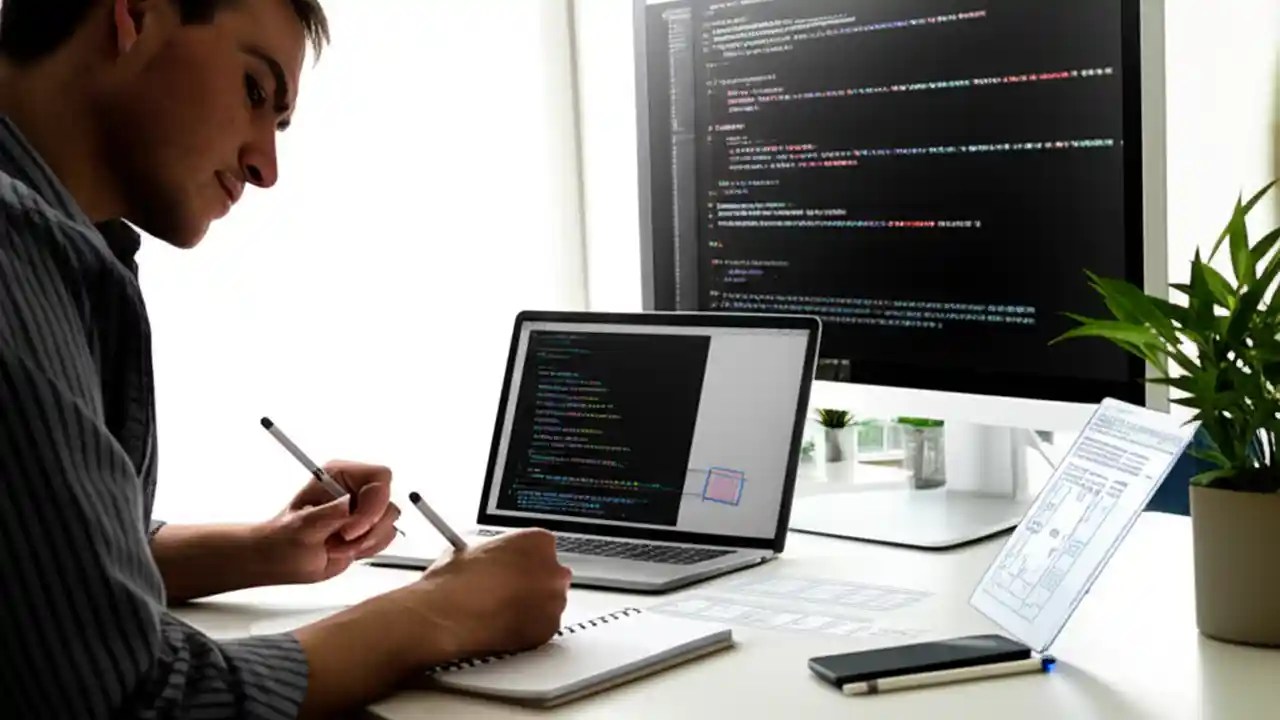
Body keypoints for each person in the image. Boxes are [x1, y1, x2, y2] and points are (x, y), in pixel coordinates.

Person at [0, 1, 571, 718]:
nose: (265, 167)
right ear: (134, 14)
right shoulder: (10, 257)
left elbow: (51, 570)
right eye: (254, 91)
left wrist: (264, 549)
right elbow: (135, 701)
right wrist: (440, 613)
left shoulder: (60, 249)